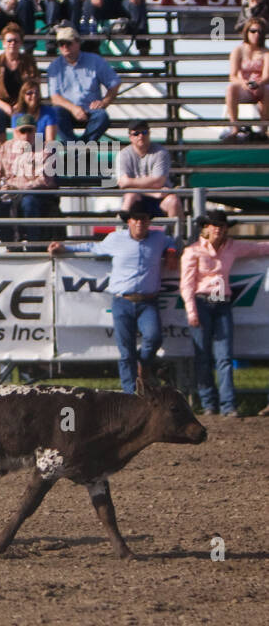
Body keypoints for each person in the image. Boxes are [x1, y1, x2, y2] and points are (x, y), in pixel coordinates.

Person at [49, 202, 179, 394]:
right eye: (136, 219)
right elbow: (92, 247)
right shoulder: (116, 239)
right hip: (122, 300)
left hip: (147, 300)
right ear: (129, 222)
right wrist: (65, 248)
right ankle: (129, 393)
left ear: (148, 221)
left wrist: (171, 253)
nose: (140, 223)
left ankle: (143, 366)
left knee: (154, 337)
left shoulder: (158, 238)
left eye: (144, 219)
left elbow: (172, 242)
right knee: (126, 352)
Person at [180, 209, 269, 417]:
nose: (218, 229)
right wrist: (191, 310)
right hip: (202, 302)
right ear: (206, 228)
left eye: (221, 226)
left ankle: (227, 405)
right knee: (204, 356)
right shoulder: (193, 251)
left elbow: (259, 248)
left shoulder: (233, 247)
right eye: (214, 225)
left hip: (221, 302)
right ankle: (210, 403)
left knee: (224, 356)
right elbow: (187, 284)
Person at [0, 114, 59, 247]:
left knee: (29, 203)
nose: (26, 135)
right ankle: (11, 242)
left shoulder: (46, 149)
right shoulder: (6, 147)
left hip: (36, 195)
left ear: (35, 131)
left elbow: (44, 181)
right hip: (9, 195)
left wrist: (15, 187)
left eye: (29, 130)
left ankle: (34, 246)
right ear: (15, 132)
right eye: (22, 131)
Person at [47, 26, 120, 143]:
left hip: (91, 111)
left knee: (102, 117)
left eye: (68, 43)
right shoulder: (54, 66)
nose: (64, 47)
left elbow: (114, 83)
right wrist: (74, 109)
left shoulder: (95, 61)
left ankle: (76, 151)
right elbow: (55, 97)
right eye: (61, 44)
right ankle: (81, 151)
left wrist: (104, 102)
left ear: (78, 43)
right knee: (55, 113)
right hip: (67, 111)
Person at [0, 24, 40, 143]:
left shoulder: (28, 61)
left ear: (21, 43)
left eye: (16, 40)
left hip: (24, 104)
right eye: (9, 40)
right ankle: (4, 148)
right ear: (3, 43)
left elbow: (35, 86)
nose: (12, 43)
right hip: (2, 106)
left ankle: (29, 147)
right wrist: (4, 106)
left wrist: (21, 104)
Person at [116, 119, 182, 221]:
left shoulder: (161, 152)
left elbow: (159, 181)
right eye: (136, 133)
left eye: (144, 132)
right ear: (130, 137)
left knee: (174, 201)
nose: (140, 136)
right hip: (140, 199)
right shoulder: (123, 154)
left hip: (160, 200)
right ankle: (120, 231)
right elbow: (122, 184)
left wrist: (131, 183)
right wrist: (154, 193)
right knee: (130, 196)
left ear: (149, 134)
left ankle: (176, 236)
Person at [221, 17, 269, 142]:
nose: (256, 35)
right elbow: (233, 75)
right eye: (253, 31)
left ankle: (263, 131)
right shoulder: (238, 50)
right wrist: (244, 84)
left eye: (260, 32)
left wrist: (259, 84)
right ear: (247, 32)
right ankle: (235, 129)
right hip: (243, 86)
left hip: (261, 86)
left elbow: (266, 76)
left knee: (268, 90)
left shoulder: (266, 52)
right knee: (231, 88)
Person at [12, 79, 59, 145]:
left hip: (44, 151)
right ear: (23, 96)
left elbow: (50, 141)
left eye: (36, 93)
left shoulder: (49, 112)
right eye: (29, 93)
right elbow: (17, 140)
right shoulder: (16, 115)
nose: (34, 95)